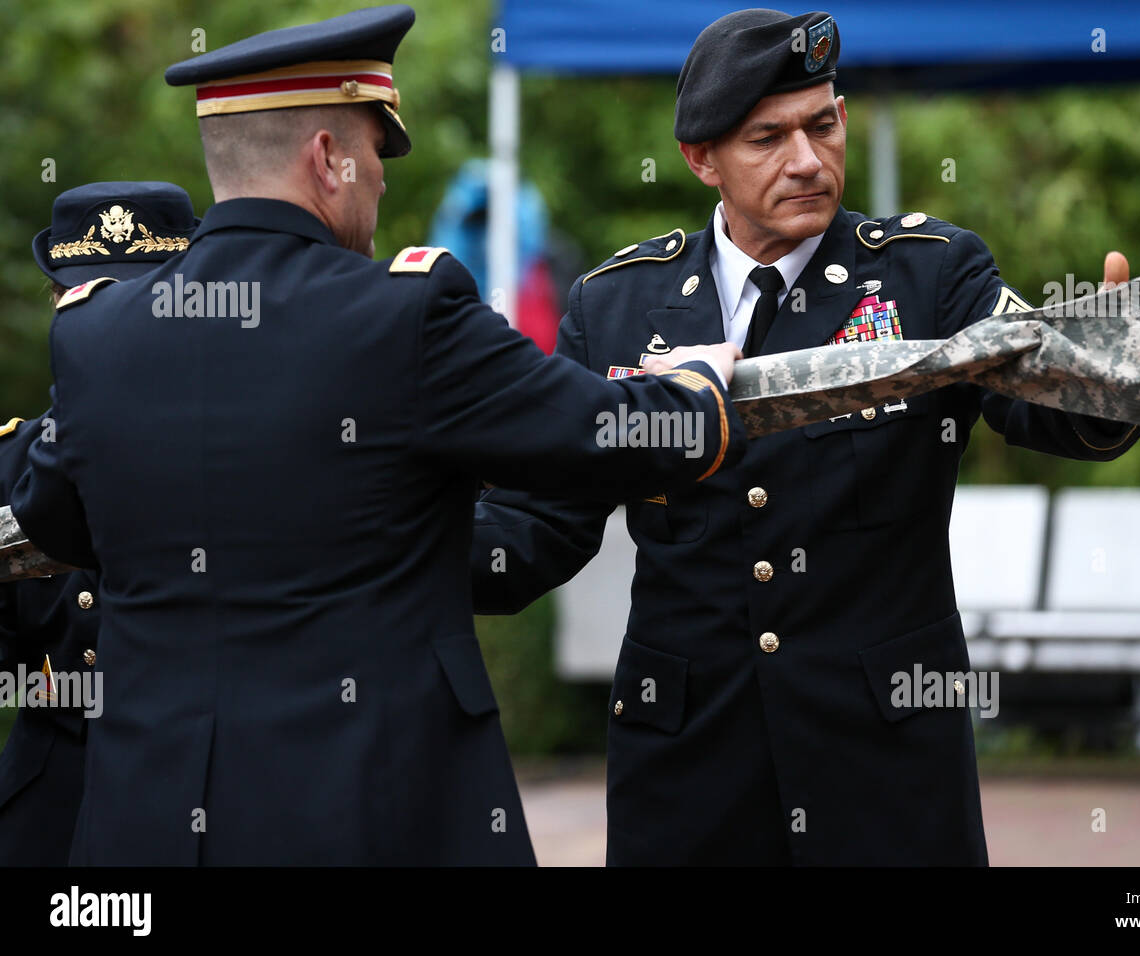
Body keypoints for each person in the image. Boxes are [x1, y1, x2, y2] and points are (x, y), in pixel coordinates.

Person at [10, 5, 745, 866]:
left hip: (157, 820)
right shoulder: (404, 314)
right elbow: (612, 435)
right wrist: (696, 384)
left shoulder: (97, 336)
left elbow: (57, 523)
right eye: (375, 155)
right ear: (328, 158)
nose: (384, 184)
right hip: (372, 812)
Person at [471, 9, 1140, 865]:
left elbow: (1047, 406)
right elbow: (542, 518)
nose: (806, 160)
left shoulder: (928, 275)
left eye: (822, 125)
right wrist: (392, 542)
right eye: (767, 138)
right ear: (699, 158)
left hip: (883, 767)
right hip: (690, 768)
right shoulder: (617, 307)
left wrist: (1110, 374)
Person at [0, 181, 199, 866]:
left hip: (201, 798)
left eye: (130, 301)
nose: (104, 326)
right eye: (86, 301)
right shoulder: (12, 461)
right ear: (58, 307)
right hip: (53, 810)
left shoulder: (240, 452)